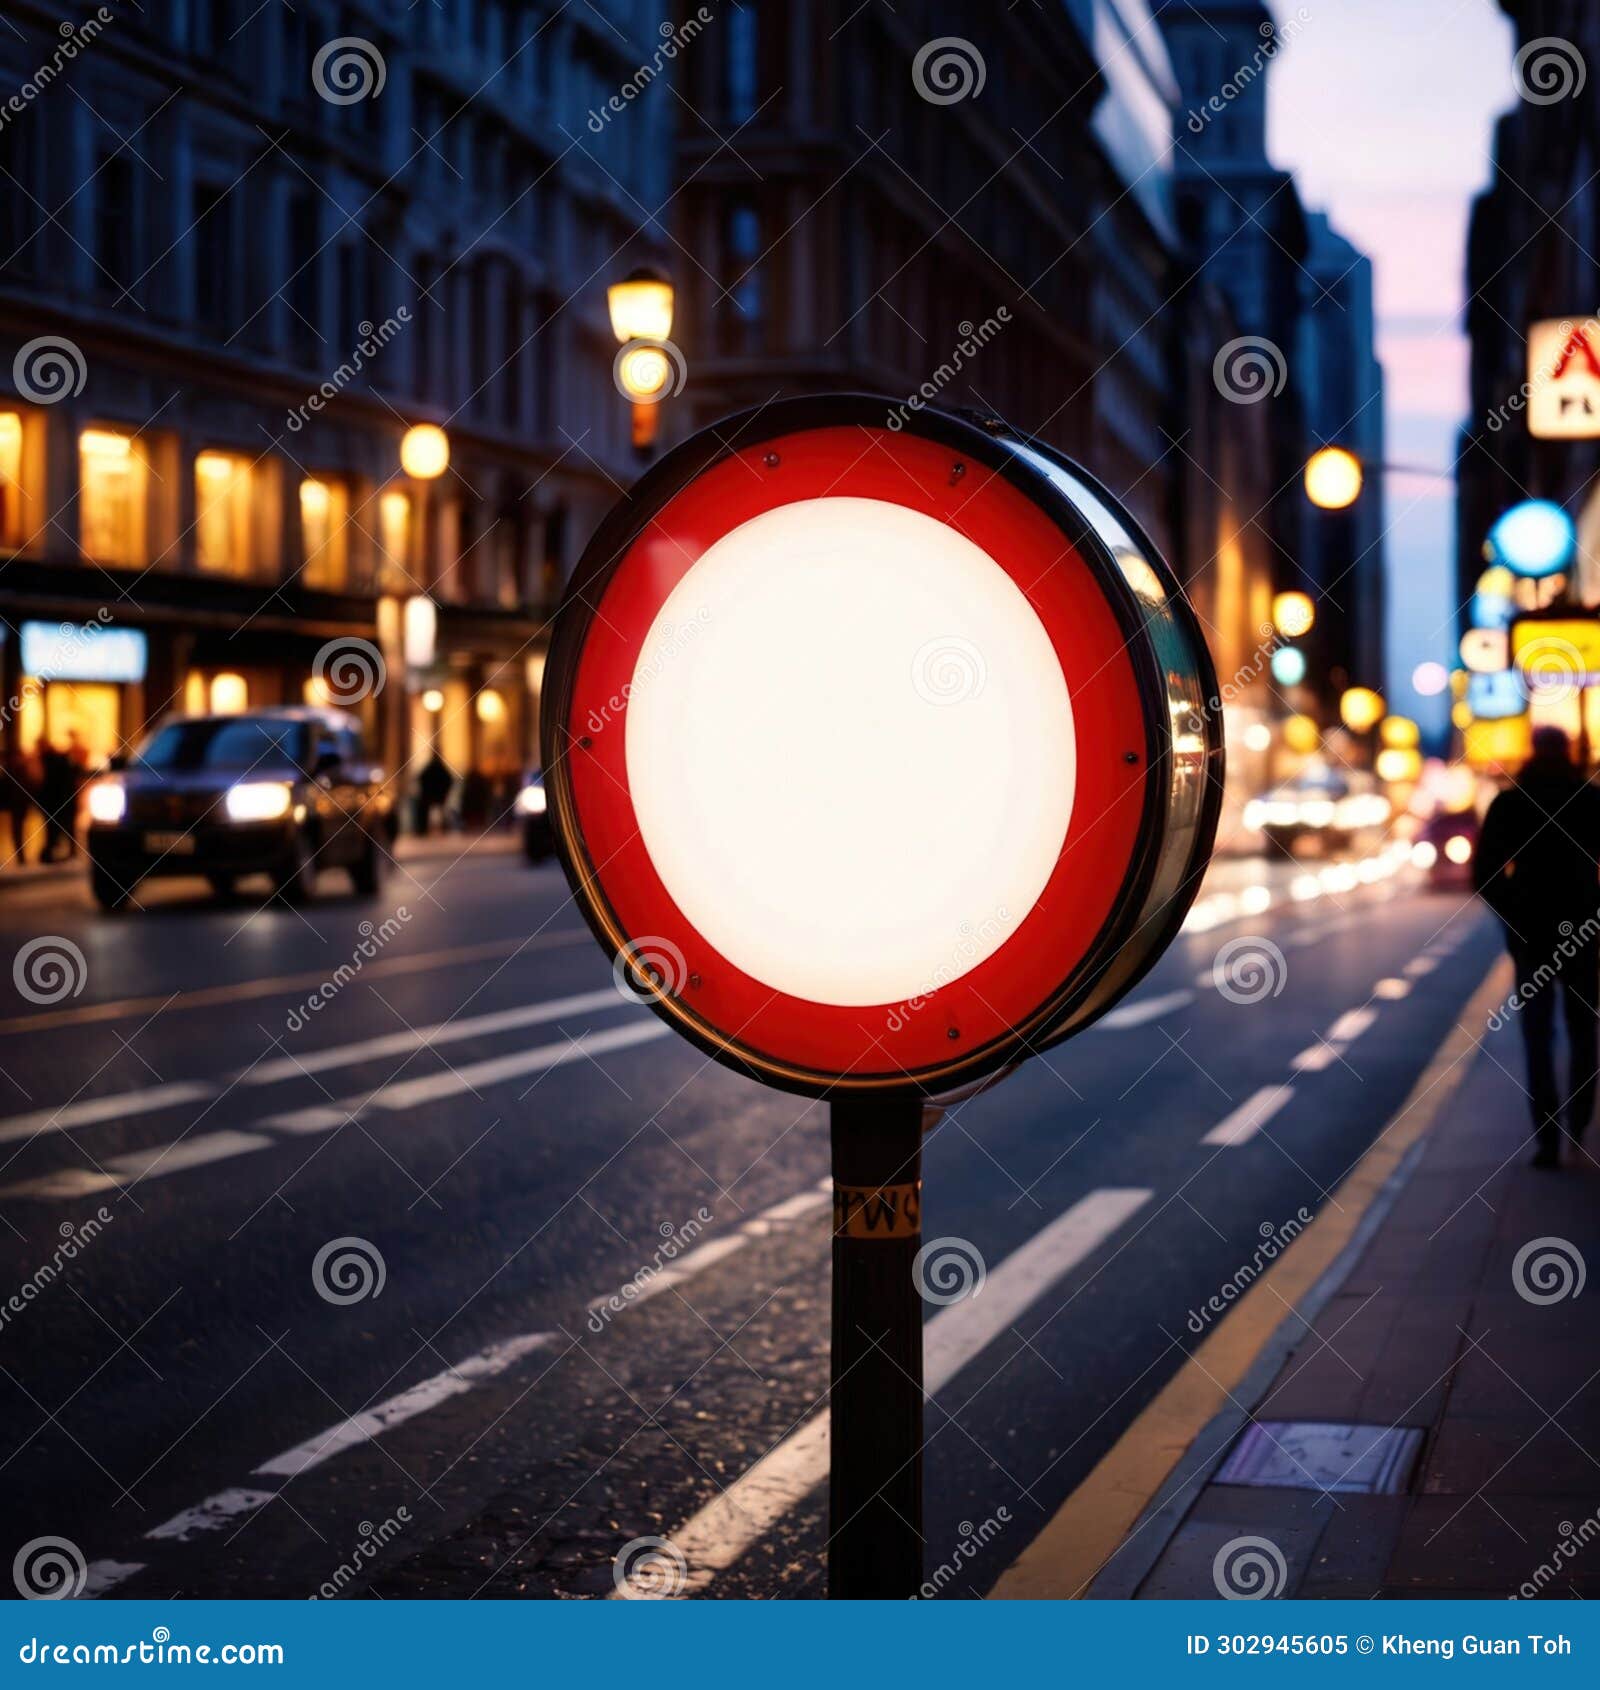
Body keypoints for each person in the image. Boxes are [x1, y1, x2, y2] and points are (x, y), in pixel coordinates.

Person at [1474, 726, 1600, 1166]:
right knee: (1584, 1031)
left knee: (1537, 1036)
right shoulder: (1588, 799)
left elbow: (1485, 874)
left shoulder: (1511, 802)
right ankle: (1579, 1123)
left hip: (1531, 935)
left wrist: (1514, 917)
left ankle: (1547, 1140)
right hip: (1581, 930)